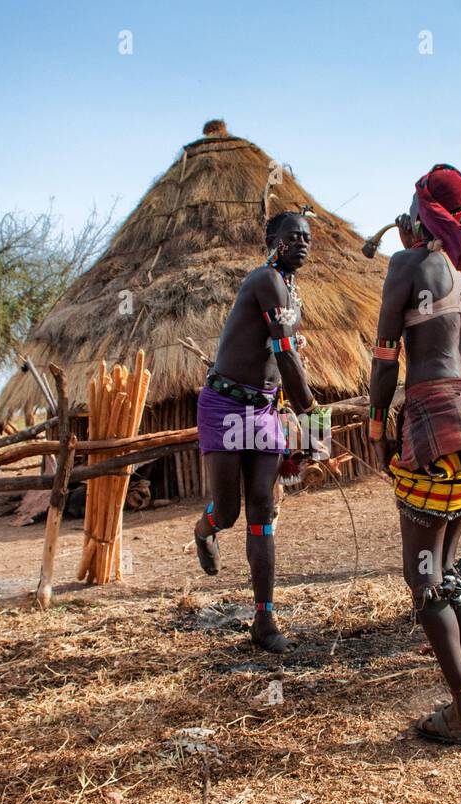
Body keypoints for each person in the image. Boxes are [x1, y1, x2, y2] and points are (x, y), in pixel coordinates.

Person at [369, 164, 461, 745]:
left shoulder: (408, 265)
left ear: (423, 210)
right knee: (449, 571)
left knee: (423, 579)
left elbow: (385, 356)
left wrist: (377, 424)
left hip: (434, 427)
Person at [191, 212, 327, 653]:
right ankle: (205, 528)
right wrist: (313, 418)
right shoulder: (266, 280)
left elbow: (281, 352)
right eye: (293, 237)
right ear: (272, 240)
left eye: (307, 237)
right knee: (229, 511)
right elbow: (286, 356)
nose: (302, 243)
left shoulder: (292, 292)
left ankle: (264, 619)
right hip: (226, 404)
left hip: (264, 409)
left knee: (263, 514)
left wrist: (304, 420)